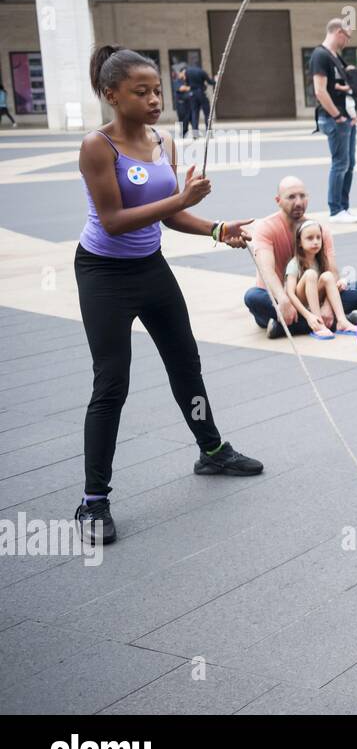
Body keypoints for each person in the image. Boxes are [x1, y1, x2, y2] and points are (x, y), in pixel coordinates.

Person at [74, 46, 263, 546]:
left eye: (157, 90)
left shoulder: (162, 142)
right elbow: (113, 222)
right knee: (111, 383)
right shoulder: (98, 147)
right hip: (103, 273)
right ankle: (94, 500)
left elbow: (168, 214)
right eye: (142, 92)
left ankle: (212, 449)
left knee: (186, 363)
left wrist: (216, 228)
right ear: (111, 95)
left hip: (151, 268)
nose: (155, 99)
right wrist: (179, 199)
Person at [243, 175, 357, 338]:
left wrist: (328, 306)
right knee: (253, 297)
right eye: (291, 197)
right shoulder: (266, 228)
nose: (299, 202)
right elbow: (267, 270)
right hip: (279, 298)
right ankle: (334, 321)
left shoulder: (319, 229)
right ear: (278, 200)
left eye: (302, 196)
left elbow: (332, 271)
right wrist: (283, 299)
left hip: (315, 298)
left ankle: (287, 326)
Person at [310, 19, 357, 224]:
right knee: (340, 163)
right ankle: (336, 209)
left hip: (345, 117)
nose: (347, 40)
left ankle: (344, 208)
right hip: (336, 118)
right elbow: (319, 90)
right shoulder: (320, 55)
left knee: (348, 163)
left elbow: (337, 86)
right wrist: (338, 116)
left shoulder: (335, 57)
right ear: (339, 31)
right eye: (347, 36)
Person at [286, 218, 357, 340]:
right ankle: (319, 324)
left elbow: (327, 285)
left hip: (316, 300)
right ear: (299, 242)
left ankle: (342, 321)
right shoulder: (294, 263)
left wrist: (338, 284)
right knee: (310, 274)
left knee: (328, 276)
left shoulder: (320, 261)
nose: (315, 242)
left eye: (318, 238)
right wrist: (308, 316)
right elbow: (290, 293)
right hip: (302, 302)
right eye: (310, 238)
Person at [183, 61, 215, 134]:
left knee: (194, 113)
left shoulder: (187, 72)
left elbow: (187, 83)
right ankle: (209, 131)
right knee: (207, 113)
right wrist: (215, 80)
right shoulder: (201, 71)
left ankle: (195, 133)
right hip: (201, 93)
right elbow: (210, 82)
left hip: (192, 94)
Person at [169, 63, 191, 137]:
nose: (185, 75)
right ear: (180, 73)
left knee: (188, 118)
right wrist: (191, 88)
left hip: (188, 103)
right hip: (180, 103)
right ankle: (183, 133)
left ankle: (188, 132)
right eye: (184, 73)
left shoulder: (187, 81)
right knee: (182, 119)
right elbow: (181, 89)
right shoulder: (177, 81)